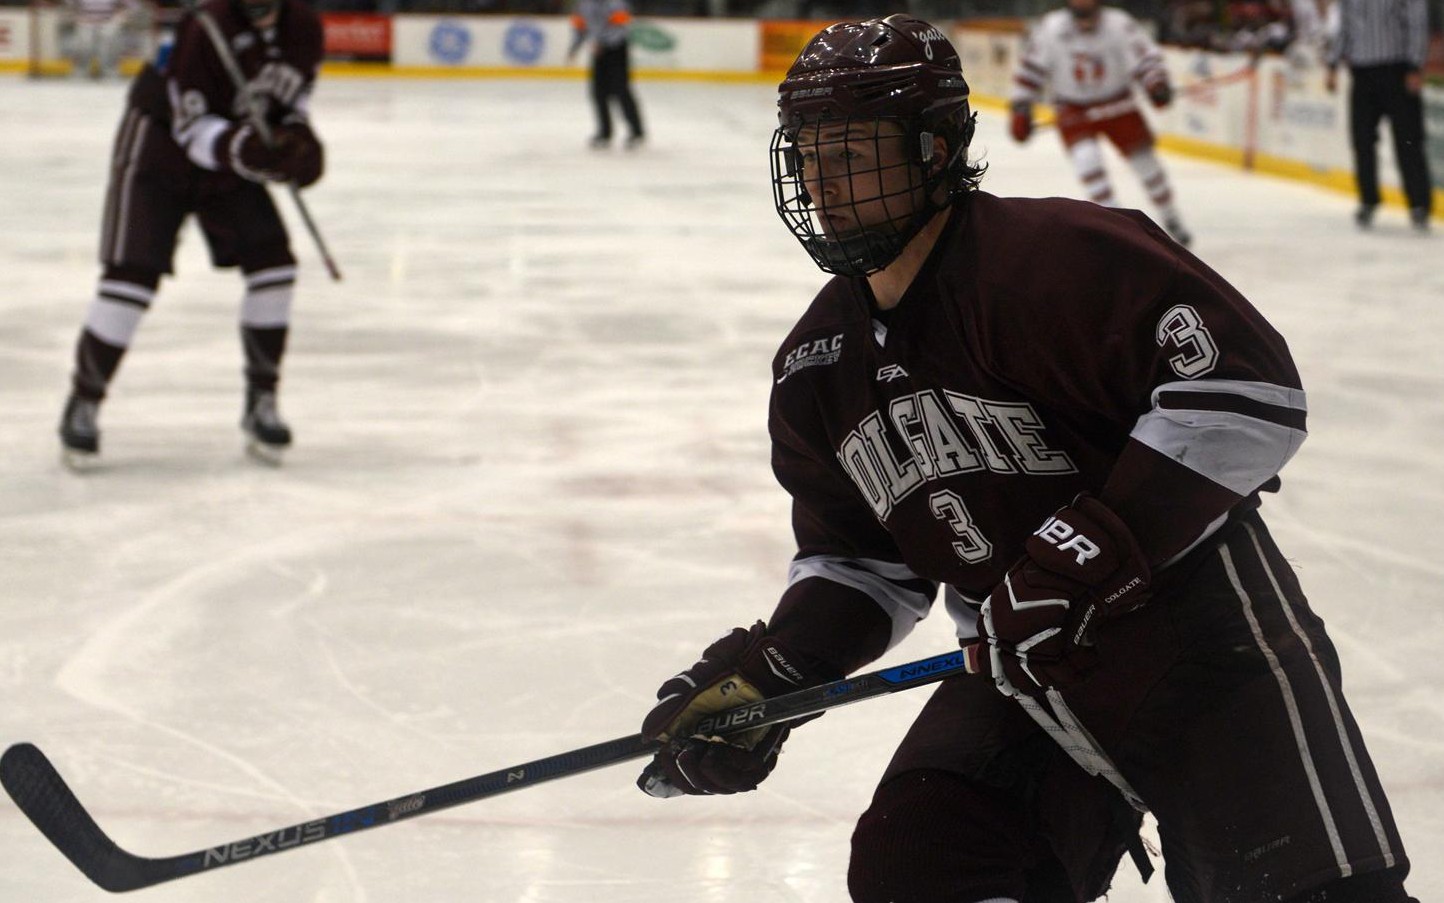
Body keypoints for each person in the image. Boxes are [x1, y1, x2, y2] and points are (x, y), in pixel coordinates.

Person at [635, 15, 1415, 903]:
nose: (822, 181)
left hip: (1201, 646)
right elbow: (863, 565)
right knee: (922, 861)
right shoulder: (819, 366)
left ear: (935, 150)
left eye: (851, 152)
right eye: (808, 153)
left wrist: (1081, 557)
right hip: (1025, 674)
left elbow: (1244, 390)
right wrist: (774, 672)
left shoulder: (1057, 261)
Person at [57, 0, 325, 468]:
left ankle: (262, 399)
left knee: (274, 266)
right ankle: (84, 400)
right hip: (157, 151)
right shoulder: (207, 26)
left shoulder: (303, 26)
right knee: (131, 278)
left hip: (227, 153)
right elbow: (190, 125)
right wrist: (245, 149)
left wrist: (298, 141)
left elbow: (294, 98)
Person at [1011, 0, 1192, 246]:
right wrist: (1021, 106)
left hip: (1117, 104)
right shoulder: (1051, 28)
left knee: (1147, 164)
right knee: (1088, 162)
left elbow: (1146, 58)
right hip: (1073, 108)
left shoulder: (1119, 24)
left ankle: (1171, 217)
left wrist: (1155, 83)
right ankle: (1117, 225)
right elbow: (1030, 70)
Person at [1324, 0, 1433, 231]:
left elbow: (1417, 22)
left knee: (1408, 139)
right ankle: (1368, 199)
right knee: (1362, 139)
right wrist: (1332, 64)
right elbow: (1345, 26)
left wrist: (1414, 65)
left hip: (1397, 69)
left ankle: (1419, 204)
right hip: (1362, 73)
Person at [567, 0, 645, 149]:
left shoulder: (616, 3)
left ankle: (636, 132)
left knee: (621, 90)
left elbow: (621, 26)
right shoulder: (583, 4)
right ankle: (604, 132)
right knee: (598, 92)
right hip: (598, 50)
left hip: (617, 49)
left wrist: (602, 42)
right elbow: (580, 27)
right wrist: (574, 48)